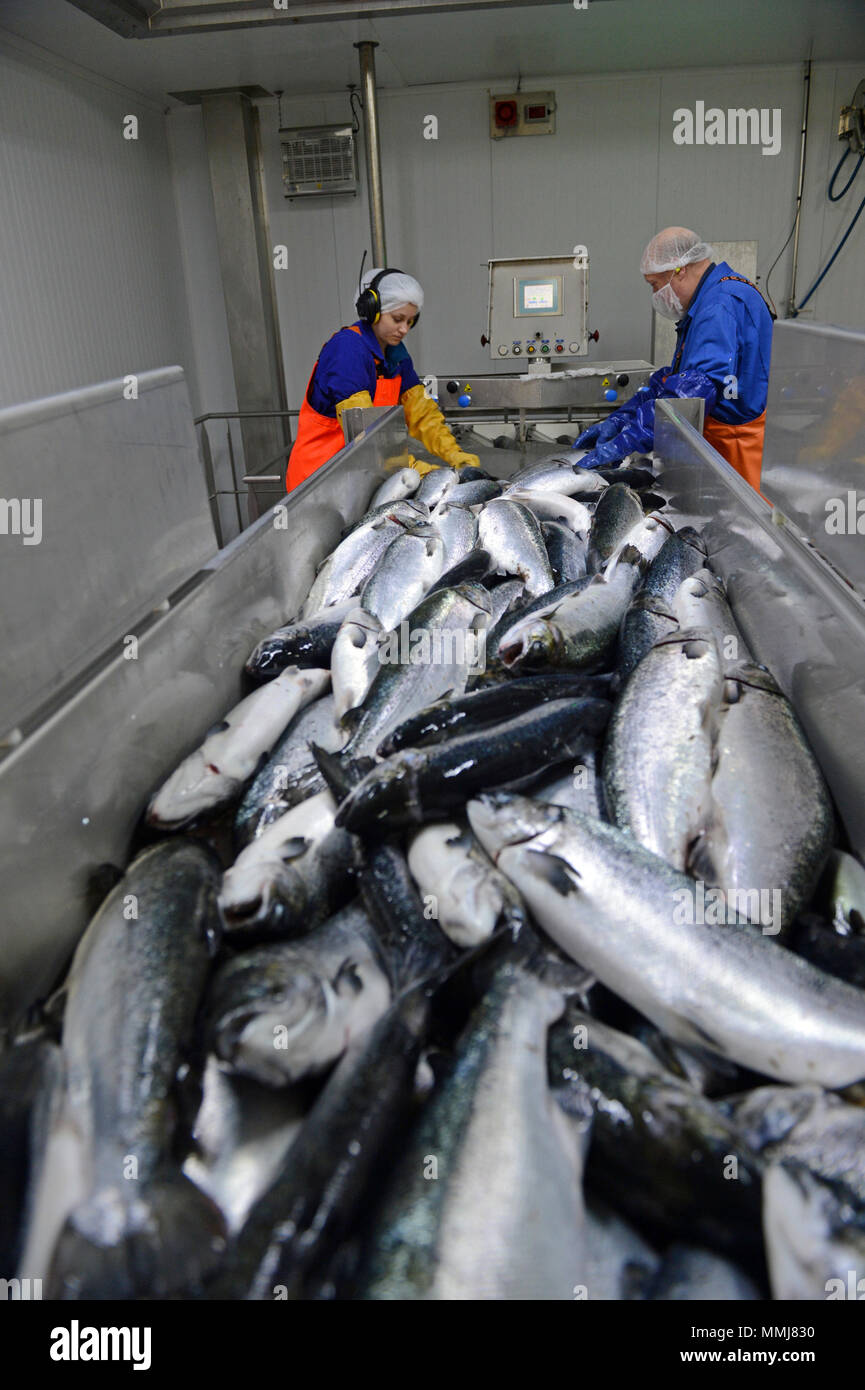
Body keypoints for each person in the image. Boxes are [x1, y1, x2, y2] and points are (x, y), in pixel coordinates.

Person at [575, 228, 773, 492]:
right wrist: (622, 419)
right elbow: (676, 378)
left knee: (742, 517)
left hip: (737, 453)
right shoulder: (710, 299)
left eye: (655, 284)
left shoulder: (720, 305)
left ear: (679, 270)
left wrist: (629, 439)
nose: (656, 294)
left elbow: (693, 390)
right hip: (720, 445)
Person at [286, 266, 479, 491]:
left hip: (362, 476)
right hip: (319, 482)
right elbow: (366, 438)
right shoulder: (347, 350)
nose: (404, 329)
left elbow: (423, 416)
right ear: (372, 311)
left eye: (410, 321)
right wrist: (429, 473)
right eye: (397, 319)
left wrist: (456, 455)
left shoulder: (396, 355)